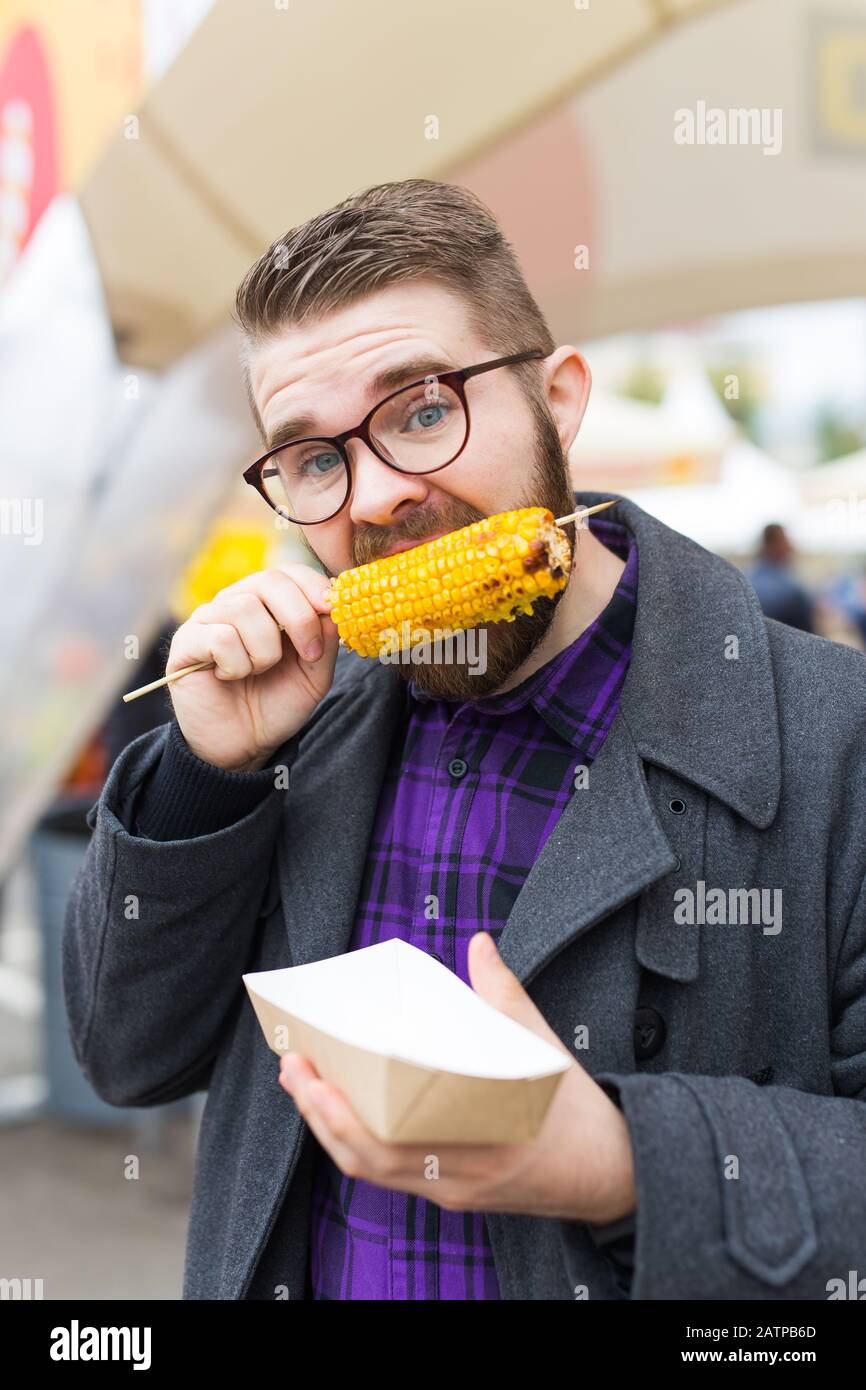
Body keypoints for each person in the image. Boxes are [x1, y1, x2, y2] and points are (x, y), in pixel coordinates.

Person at [62, 179, 866, 1301]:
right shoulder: (294, 718)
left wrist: (626, 1165)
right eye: (309, 457)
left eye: (423, 409)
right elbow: (123, 1051)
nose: (379, 494)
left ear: (561, 399)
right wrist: (205, 772)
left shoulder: (833, 740)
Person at [746, 523, 816, 633]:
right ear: (774, 545)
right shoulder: (790, 590)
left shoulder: (748, 578)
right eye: (786, 540)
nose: (791, 546)